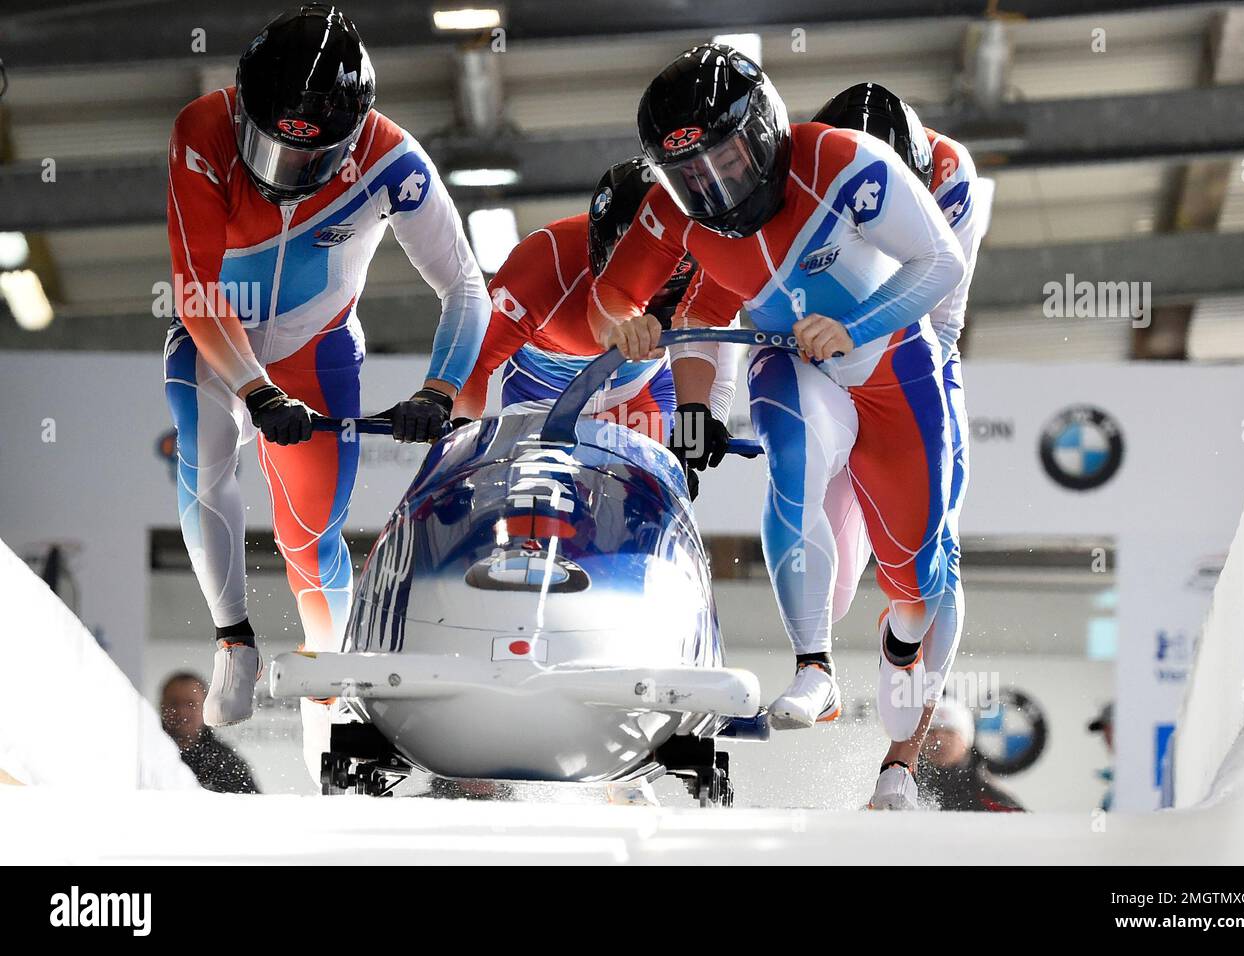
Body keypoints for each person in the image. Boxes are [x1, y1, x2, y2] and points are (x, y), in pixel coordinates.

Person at [588, 44, 965, 809]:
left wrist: (854, 325)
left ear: (761, 135)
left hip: (894, 363)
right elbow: (628, 301)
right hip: (789, 363)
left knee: (921, 580)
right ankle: (815, 670)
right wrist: (626, 328)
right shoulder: (674, 212)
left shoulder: (845, 163)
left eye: (726, 163)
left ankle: (900, 696)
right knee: (790, 460)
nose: (714, 189)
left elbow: (942, 265)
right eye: (690, 176)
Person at [163, 4, 489, 778]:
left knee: (309, 537)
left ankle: (330, 694)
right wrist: (253, 388)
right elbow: (194, 289)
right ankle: (233, 640)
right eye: (267, 146)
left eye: (306, 159)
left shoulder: (394, 162)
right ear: (241, 107)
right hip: (219, 336)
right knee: (205, 443)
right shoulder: (200, 132)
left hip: (318, 351)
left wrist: (442, 389)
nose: (282, 171)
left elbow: (466, 285)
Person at [807, 83, 983, 806]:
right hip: (825, 359)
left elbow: (937, 318)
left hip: (915, 352)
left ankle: (899, 766)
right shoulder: (800, 161)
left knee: (931, 555)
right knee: (838, 581)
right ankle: (812, 662)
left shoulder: (950, 174)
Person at [452, 157, 740, 495]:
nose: (656, 290)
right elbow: (474, 363)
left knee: (648, 498)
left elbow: (717, 364)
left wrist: (694, 436)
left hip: (644, 392)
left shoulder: (714, 264)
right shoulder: (541, 268)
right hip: (544, 400)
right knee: (537, 503)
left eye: (676, 269)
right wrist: (460, 445)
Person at [913, 697, 1024, 812]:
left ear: (966, 741)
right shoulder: (904, 783)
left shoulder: (988, 793)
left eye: (949, 733)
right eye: (930, 732)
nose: (939, 740)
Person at [159, 673, 259, 794]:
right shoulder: (143, 753)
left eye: (190, 704)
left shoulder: (226, 763)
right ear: (161, 705)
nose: (182, 712)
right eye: (174, 703)